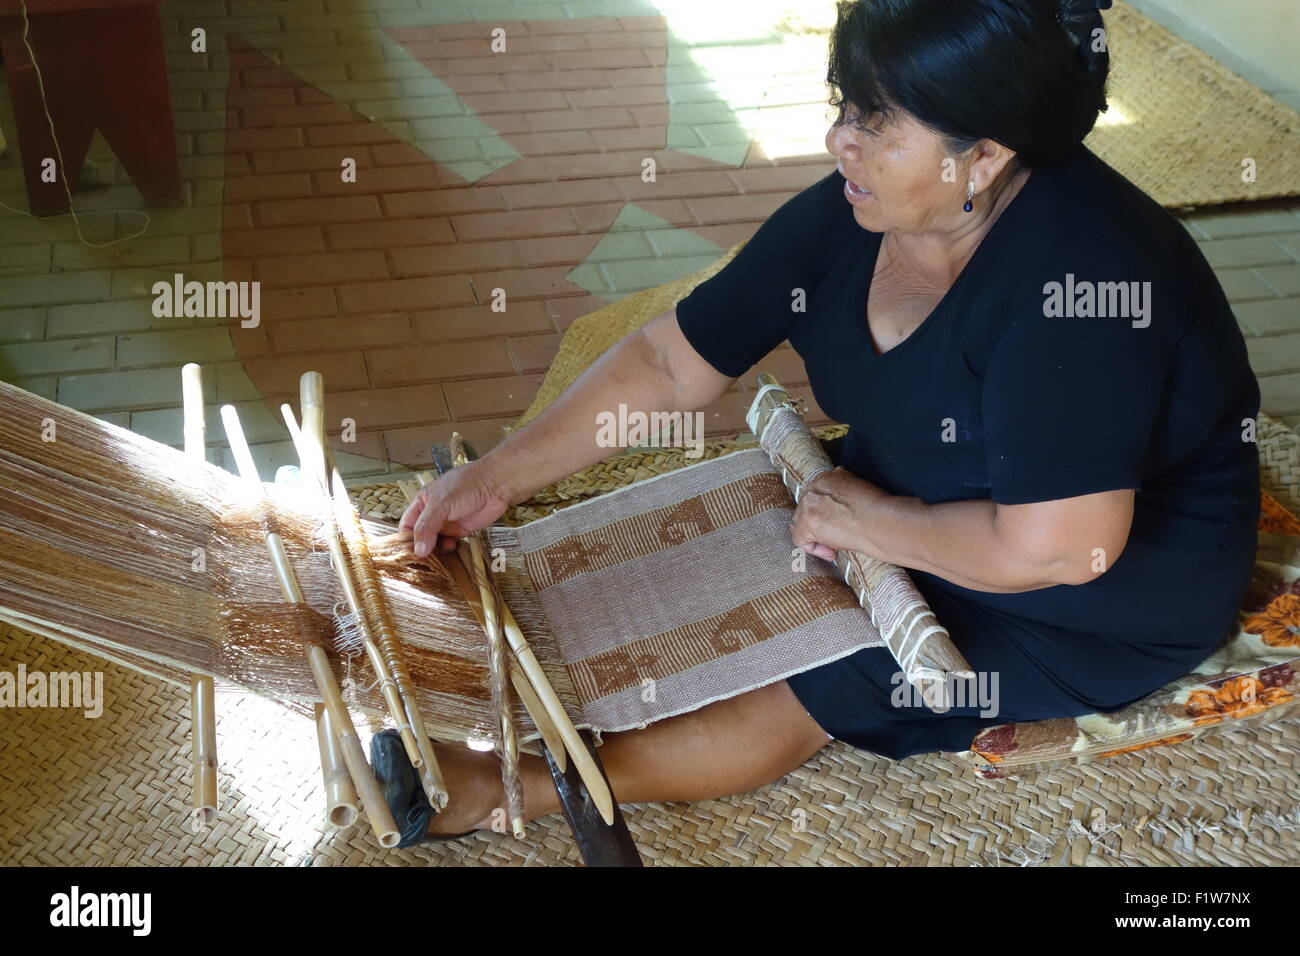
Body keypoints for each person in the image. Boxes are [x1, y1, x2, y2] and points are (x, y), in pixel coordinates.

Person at [392, 0, 1261, 841]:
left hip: (1091, 592)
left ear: (985, 154)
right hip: (936, 488)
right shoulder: (853, 216)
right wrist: (496, 477)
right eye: (847, 104)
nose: (841, 140)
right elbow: (670, 360)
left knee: (836, 667)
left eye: (881, 123)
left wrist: (877, 523)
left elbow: (1065, 548)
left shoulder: (1078, 286)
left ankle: (511, 789)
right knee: (725, 538)